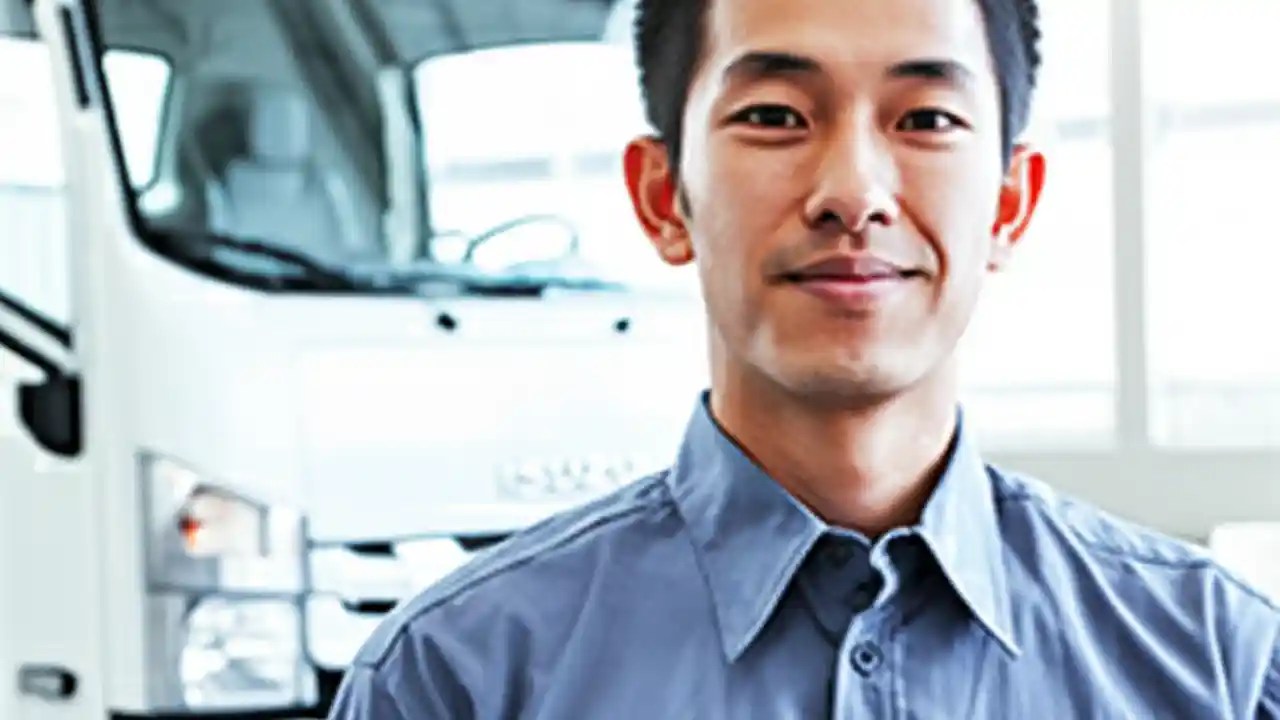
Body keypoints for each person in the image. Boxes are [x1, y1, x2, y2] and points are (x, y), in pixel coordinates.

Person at [329, 0, 1280, 716]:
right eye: (778, 116)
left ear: (1010, 203)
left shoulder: (1219, 662)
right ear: (664, 197)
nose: (853, 193)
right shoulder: (460, 677)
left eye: (927, 120)